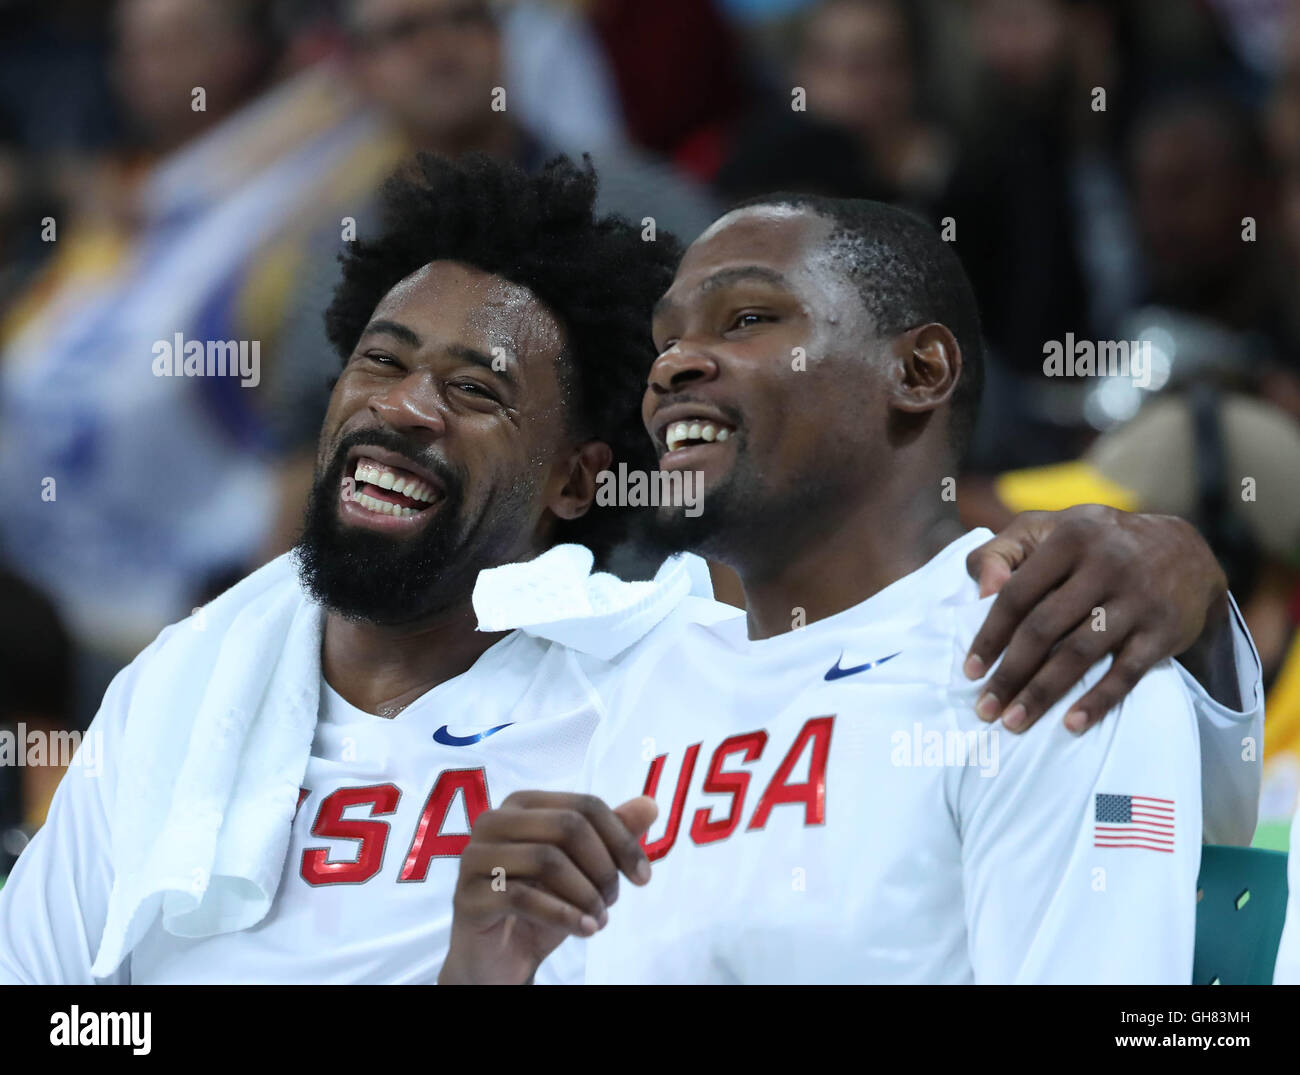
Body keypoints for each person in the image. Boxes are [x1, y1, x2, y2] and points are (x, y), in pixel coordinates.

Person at [0, 155, 1257, 984]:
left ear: (578, 480)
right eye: (379, 363)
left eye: (747, 319)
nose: (406, 407)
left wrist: (1177, 571)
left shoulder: (641, 664)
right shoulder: (196, 680)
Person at [439, 193, 1263, 985]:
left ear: (918, 368)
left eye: (749, 318)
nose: (672, 366)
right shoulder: (628, 688)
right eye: (664, 341)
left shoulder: (1045, 643)